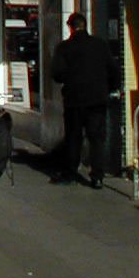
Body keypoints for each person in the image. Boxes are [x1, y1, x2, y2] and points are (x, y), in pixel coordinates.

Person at [50, 12, 120, 188]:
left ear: (71, 27)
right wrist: (110, 89)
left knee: (74, 137)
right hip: (97, 99)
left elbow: (57, 74)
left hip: (74, 99)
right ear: (86, 25)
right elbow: (113, 69)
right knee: (96, 138)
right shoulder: (100, 45)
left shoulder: (64, 48)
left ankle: (70, 172)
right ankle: (97, 176)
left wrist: (71, 78)